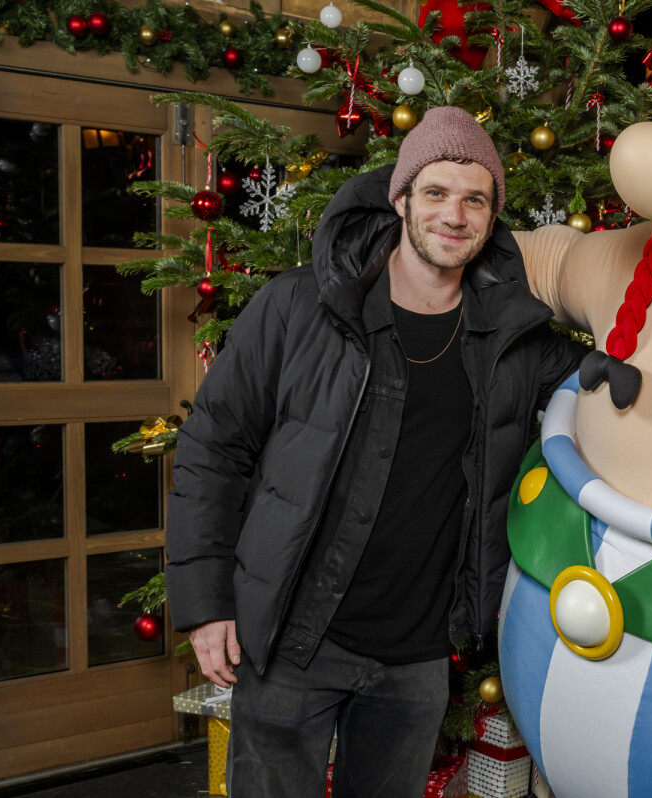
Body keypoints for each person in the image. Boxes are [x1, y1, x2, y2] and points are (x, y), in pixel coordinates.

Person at [164, 106, 585, 797]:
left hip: (416, 659)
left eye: (475, 199)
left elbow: (608, 383)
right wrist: (206, 604)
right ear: (401, 199)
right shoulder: (298, 306)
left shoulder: (513, 341)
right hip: (292, 640)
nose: (454, 215)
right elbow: (213, 451)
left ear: (491, 216)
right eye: (436, 192)